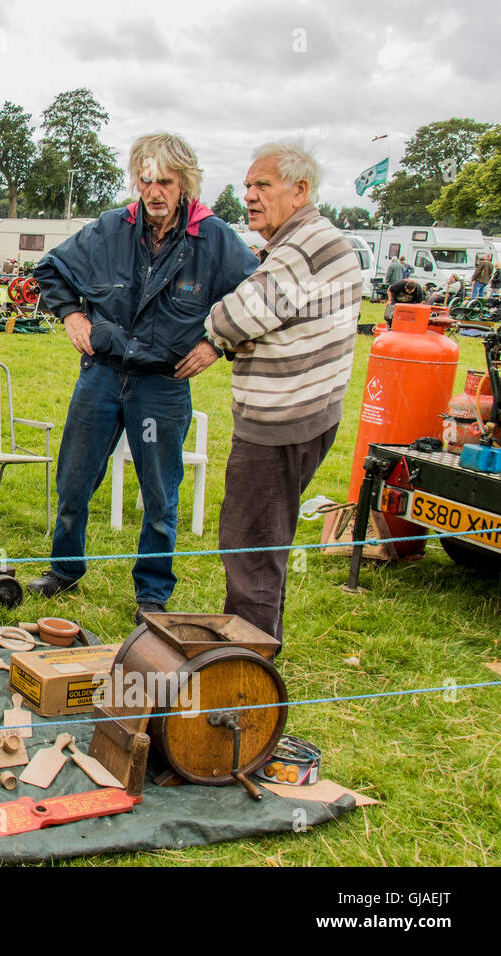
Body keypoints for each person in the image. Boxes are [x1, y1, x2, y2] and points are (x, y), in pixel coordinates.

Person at [28, 132, 258, 623]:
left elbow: (257, 294)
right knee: (74, 480)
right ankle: (64, 569)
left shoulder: (213, 237)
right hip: (103, 375)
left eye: (165, 182)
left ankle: (152, 593)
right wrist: (72, 316)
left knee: (159, 492)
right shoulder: (112, 228)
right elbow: (50, 268)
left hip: (163, 384)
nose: (154, 191)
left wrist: (216, 343)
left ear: (185, 184)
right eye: (145, 180)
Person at [204, 142, 362, 644]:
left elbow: (230, 319)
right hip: (309, 412)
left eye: (261, 186)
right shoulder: (313, 241)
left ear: (300, 191)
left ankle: (246, 674)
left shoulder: (303, 248)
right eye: (248, 185)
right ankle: (259, 643)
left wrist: (226, 326)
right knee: (267, 543)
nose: (249, 195)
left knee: (251, 547)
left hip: (280, 420)